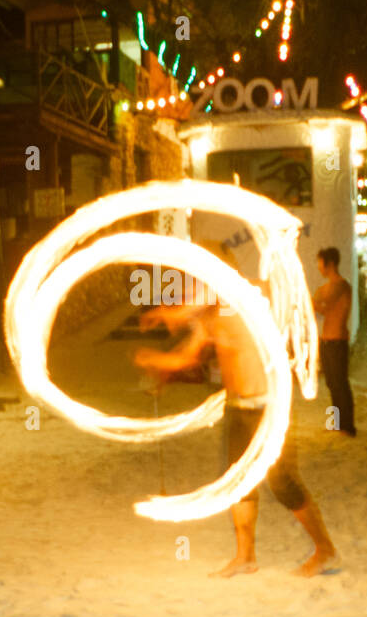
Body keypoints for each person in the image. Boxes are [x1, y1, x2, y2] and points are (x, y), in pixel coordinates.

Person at [134, 244, 338, 578]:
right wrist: (154, 360)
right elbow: (187, 356)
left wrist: (170, 313)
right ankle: (245, 557)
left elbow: (248, 300)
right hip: (237, 408)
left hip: (269, 409)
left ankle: (325, 550)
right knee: (239, 484)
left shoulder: (252, 295)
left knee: (284, 484)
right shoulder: (211, 315)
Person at [313, 247, 356, 437]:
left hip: (338, 341)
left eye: (320, 263)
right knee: (331, 384)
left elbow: (324, 305)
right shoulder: (325, 287)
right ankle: (336, 423)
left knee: (340, 384)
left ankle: (348, 426)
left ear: (329, 263)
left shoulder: (341, 286)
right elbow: (317, 302)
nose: (318, 267)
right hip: (327, 341)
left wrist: (306, 298)